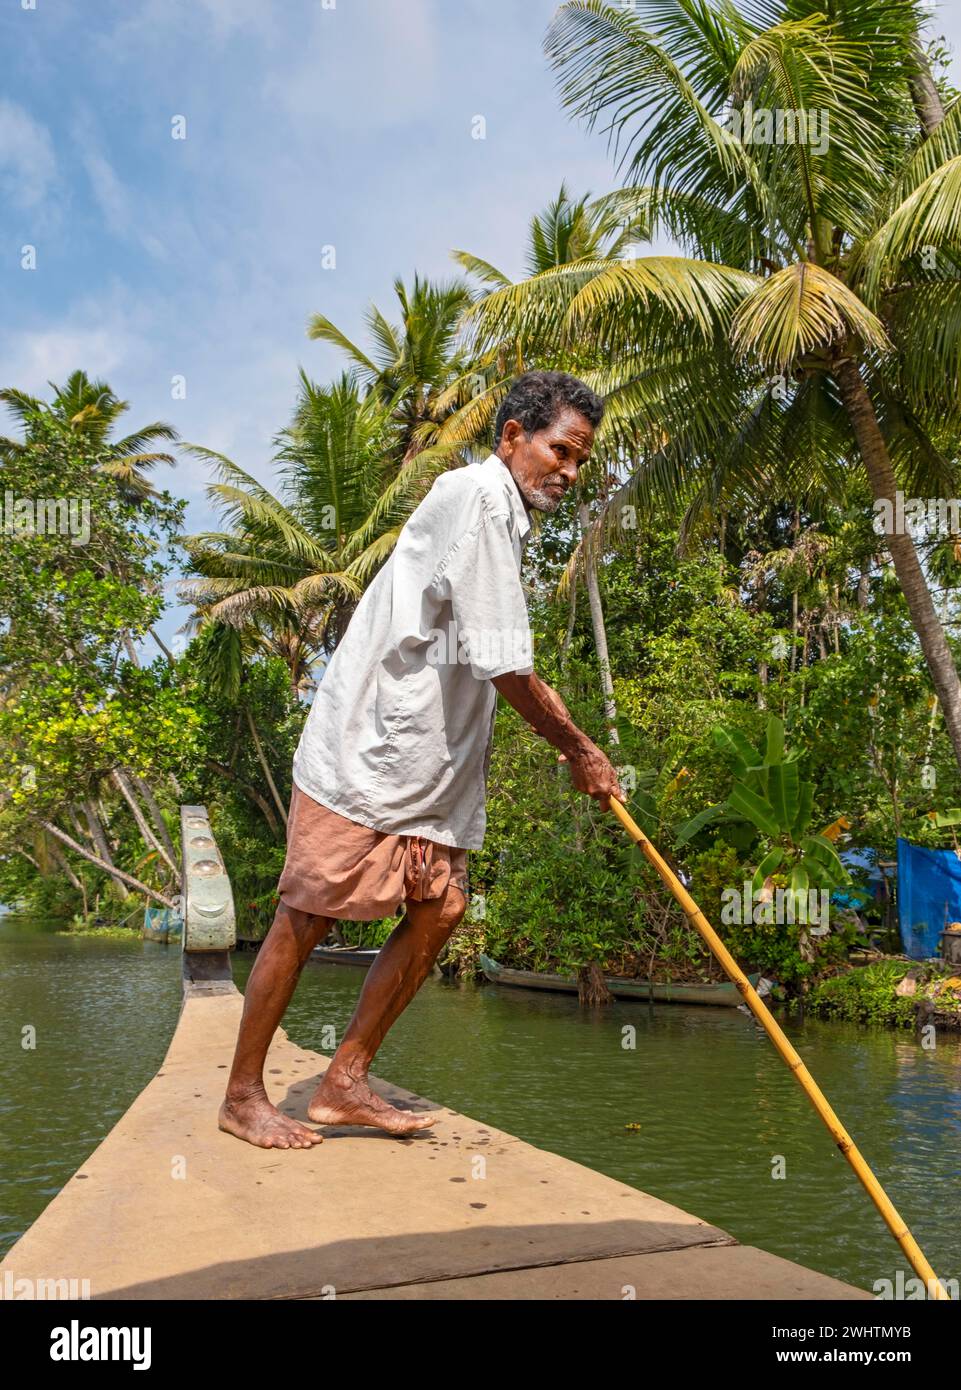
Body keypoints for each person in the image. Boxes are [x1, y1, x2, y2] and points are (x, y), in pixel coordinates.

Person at [218, 369, 626, 1149]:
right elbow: (508, 665)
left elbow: (496, 657)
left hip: (425, 768)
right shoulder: (476, 499)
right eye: (559, 450)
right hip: (368, 750)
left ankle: (342, 1083)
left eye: (579, 461)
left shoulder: (502, 516)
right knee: (305, 918)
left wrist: (582, 746)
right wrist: (579, 748)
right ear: (513, 437)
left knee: (440, 909)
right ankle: (241, 1096)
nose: (569, 473)